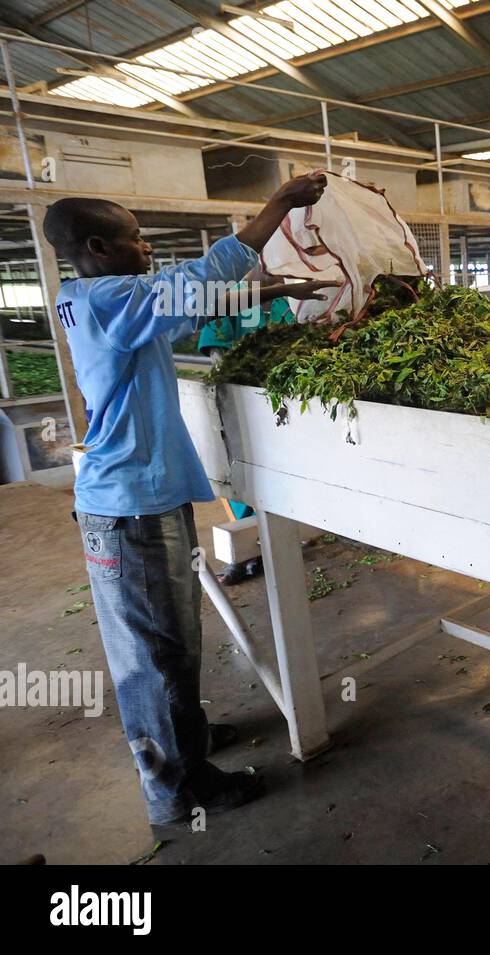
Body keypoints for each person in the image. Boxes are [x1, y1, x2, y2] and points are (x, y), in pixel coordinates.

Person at [42, 172, 328, 828]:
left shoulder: (91, 296)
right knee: (157, 651)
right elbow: (201, 276)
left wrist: (263, 290)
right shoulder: (116, 298)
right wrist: (279, 206)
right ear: (100, 247)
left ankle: (181, 741)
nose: (147, 249)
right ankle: (178, 788)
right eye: (137, 240)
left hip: (126, 499)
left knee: (160, 641)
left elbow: (191, 301)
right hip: (129, 507)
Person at [196, 265, 337, 584]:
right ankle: (245, 552)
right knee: (241, 473)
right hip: (238, 398)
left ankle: (280, 540)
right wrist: (233, 380)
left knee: (281, 470)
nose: (272, 272)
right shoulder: (229, 301)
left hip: (278, 399)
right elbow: (216, 348)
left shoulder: (281, 303)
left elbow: (297, 342)